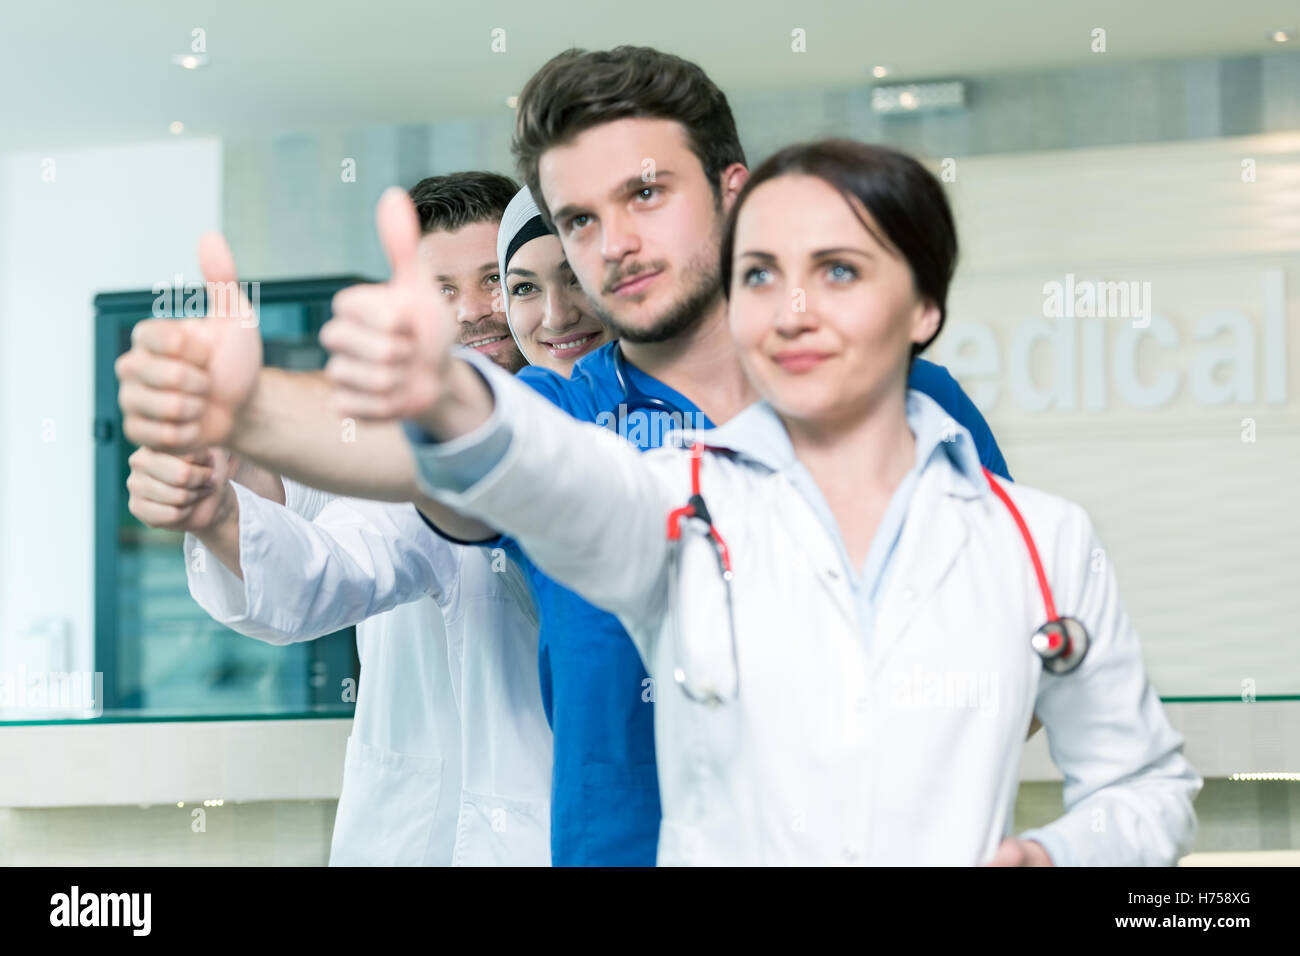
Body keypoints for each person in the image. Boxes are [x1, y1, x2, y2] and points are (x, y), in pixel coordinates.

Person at [114, 46, 1012, 866]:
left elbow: (1015, 660)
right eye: (578, 219)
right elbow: (421, 461)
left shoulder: (911, 404)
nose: (611, 243)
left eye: (647, 195)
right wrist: (249, 406)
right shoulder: (560, 412)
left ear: (734, 192)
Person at [331, 139, 1203, 866]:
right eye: (762, 276)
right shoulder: (677, 501)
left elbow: (1137, 781)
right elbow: (489, 466)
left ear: (922, 308)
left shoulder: (1036, 535)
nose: (794, 310)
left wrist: (1046, 850)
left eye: (839, 273)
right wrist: (399, 400)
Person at [123, 173, 558, 865]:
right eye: (442, 289)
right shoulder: (374, 429)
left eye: (494, 281)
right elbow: (318, 552)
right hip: (409, 831)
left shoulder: (605, 429)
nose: (474, 311)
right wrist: (219, 488)